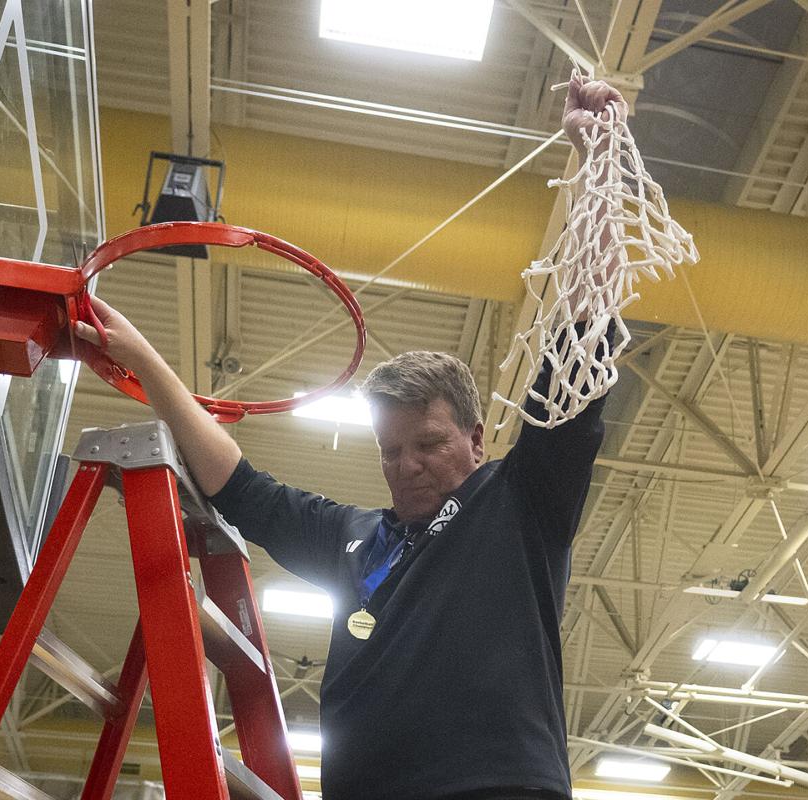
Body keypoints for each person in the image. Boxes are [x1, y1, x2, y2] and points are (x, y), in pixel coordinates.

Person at [76, 73, 627, 800]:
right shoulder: (355, 540)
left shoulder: (518, 504)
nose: (407, 466)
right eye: (390, 452)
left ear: (476, 438)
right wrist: (144, 359)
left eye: (428, 445)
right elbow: (243, 489)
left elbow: (580, 350)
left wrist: (597, 164)